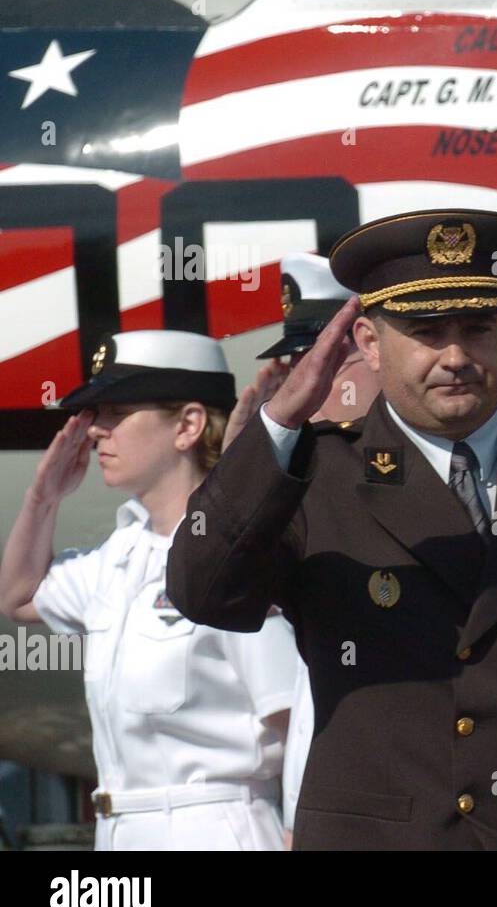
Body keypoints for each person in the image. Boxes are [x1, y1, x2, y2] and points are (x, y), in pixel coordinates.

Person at [166, 208, 497, 850]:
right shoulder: (315, 476)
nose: (454, 357)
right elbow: (203, 590)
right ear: (366, 342)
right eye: (425, 330)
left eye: (477, 328)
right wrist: (280, 421)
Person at [0, 331, 298, 850]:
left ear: (187, 425)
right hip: (121, 831)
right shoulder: (119, 556)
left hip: (216, 827)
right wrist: (42, 497)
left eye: (115, 411)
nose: (95, 431)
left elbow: (296, 723)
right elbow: (19, 597)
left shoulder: (234, 556)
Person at [233, 251, 385, 848]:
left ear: (373, 348)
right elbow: (210, 586)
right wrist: (244, 470)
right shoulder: (306, 495)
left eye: (326, 357)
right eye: (300, 360)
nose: (308, 379)